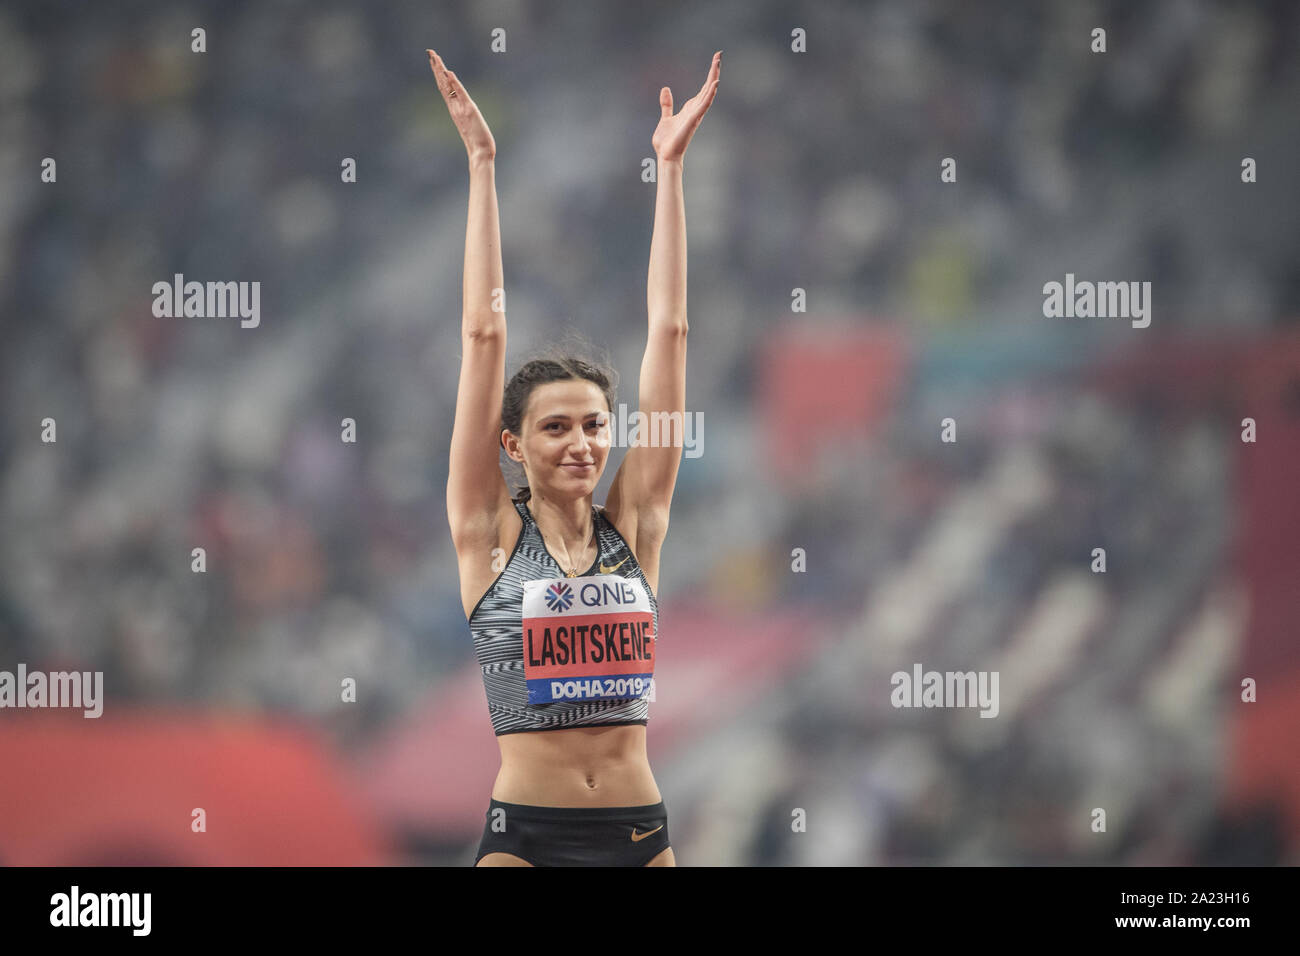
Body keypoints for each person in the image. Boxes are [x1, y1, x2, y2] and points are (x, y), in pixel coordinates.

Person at [428, 46, 720, 866]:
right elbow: (483, 336)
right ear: (513, 445)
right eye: (556, 428)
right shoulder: (485, 530)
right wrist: (483, 165)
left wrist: (669, 172)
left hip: (638, 832)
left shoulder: (638, 522)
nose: (584, 443)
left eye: (595, 425)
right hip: (528, 835)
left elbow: (672, 332)